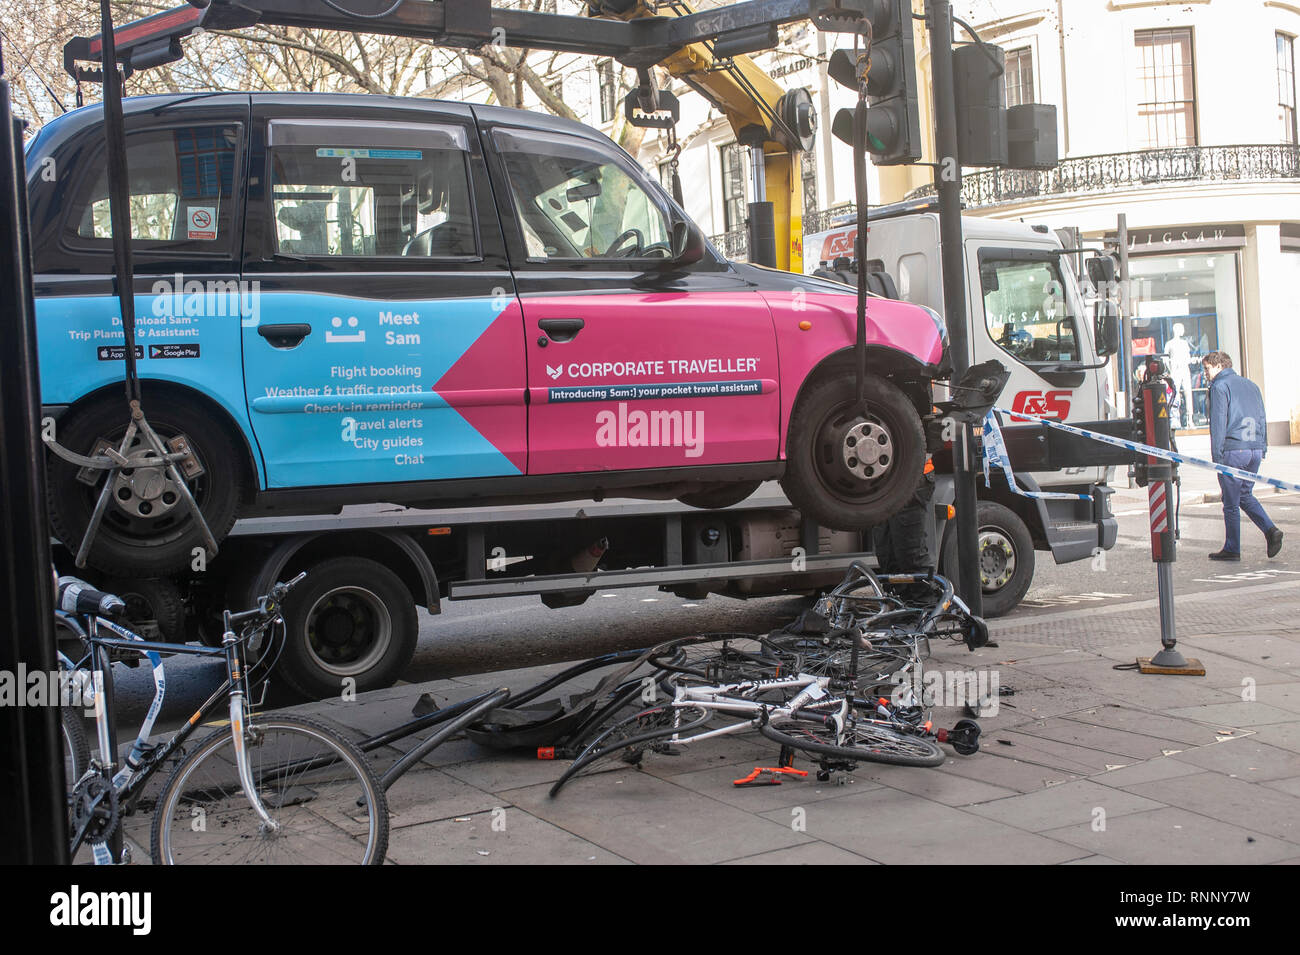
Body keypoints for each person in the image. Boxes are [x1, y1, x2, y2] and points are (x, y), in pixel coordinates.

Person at [1201, 351, 1282, 561]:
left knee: (1230, 500)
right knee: (1244, 494)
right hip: (1253, 448)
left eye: (1207, 368)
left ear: (1219, 366)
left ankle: (1232, 548)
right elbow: (1262, 416)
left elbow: (1218, 422)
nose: (1205, 373)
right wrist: (1262, 447)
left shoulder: (1219, 386)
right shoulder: (1251, 385)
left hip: (1233, 449)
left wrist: (1217, 457)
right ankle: (1271, 531)